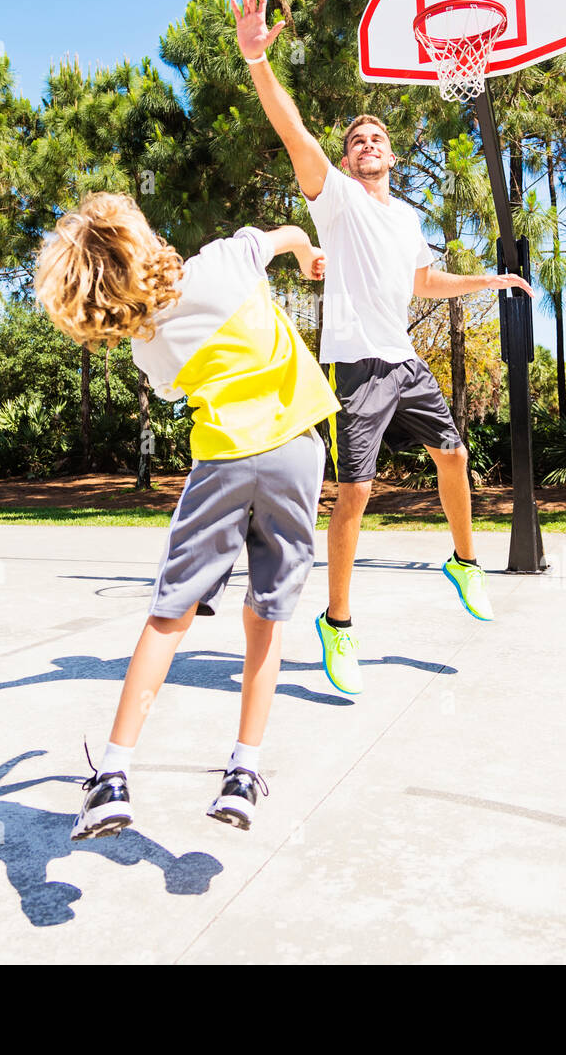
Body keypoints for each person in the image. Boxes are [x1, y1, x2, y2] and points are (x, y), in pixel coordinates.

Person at [231, 0, 534, 697]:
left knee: (455, 457)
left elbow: (424, 284)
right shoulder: (333, 197)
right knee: (356, 492)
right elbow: (294, 131)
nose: (366, 144)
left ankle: (464, 561)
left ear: (392, 157)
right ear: (347, 157)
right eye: (356, 139)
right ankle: (337, 625)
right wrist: (256, 61)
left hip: (402, 359)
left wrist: (491, 281)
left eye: (377, 139)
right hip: (358, 367)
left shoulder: (405, 220)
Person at [34, 191, 339, 834]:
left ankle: (113, 775)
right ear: (139, 240)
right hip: (295, 454)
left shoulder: (150, 349)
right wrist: (307, 250)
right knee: (267, 615)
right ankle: (243, 772)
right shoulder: (224, 261)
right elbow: (279, 233)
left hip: (224, 460)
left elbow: (174, 380)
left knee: (170, 613)